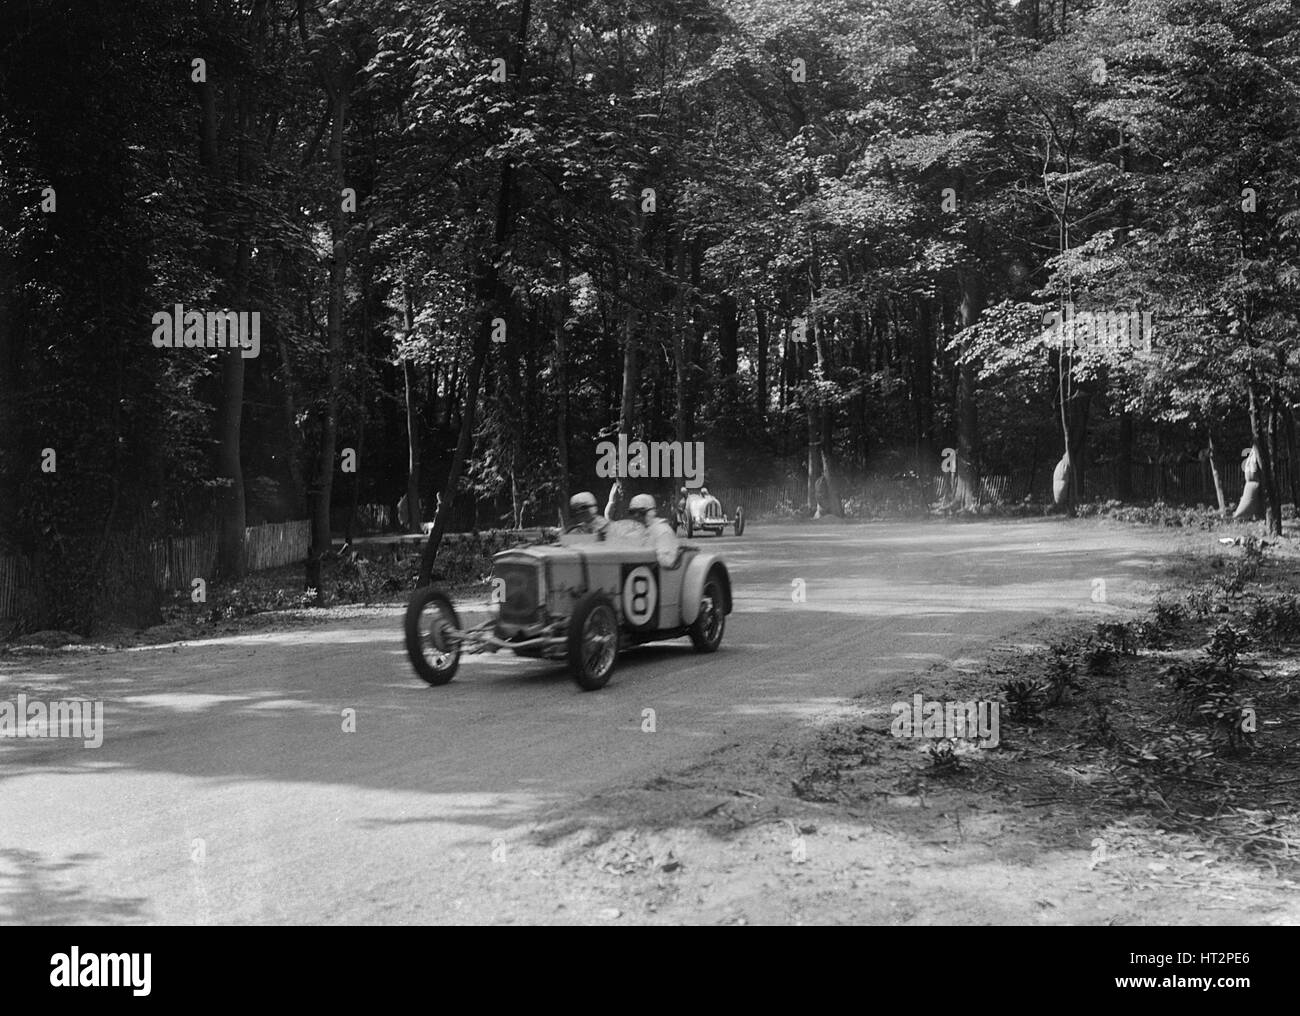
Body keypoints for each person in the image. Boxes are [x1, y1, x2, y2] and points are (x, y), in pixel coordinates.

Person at [624, 493, 680, 568]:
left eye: (641, 512)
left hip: (655, 574)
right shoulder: (639, 531)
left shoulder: (662, 530)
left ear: (651, 511)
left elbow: (667, 561)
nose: (636, 515)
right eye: (632, 512)